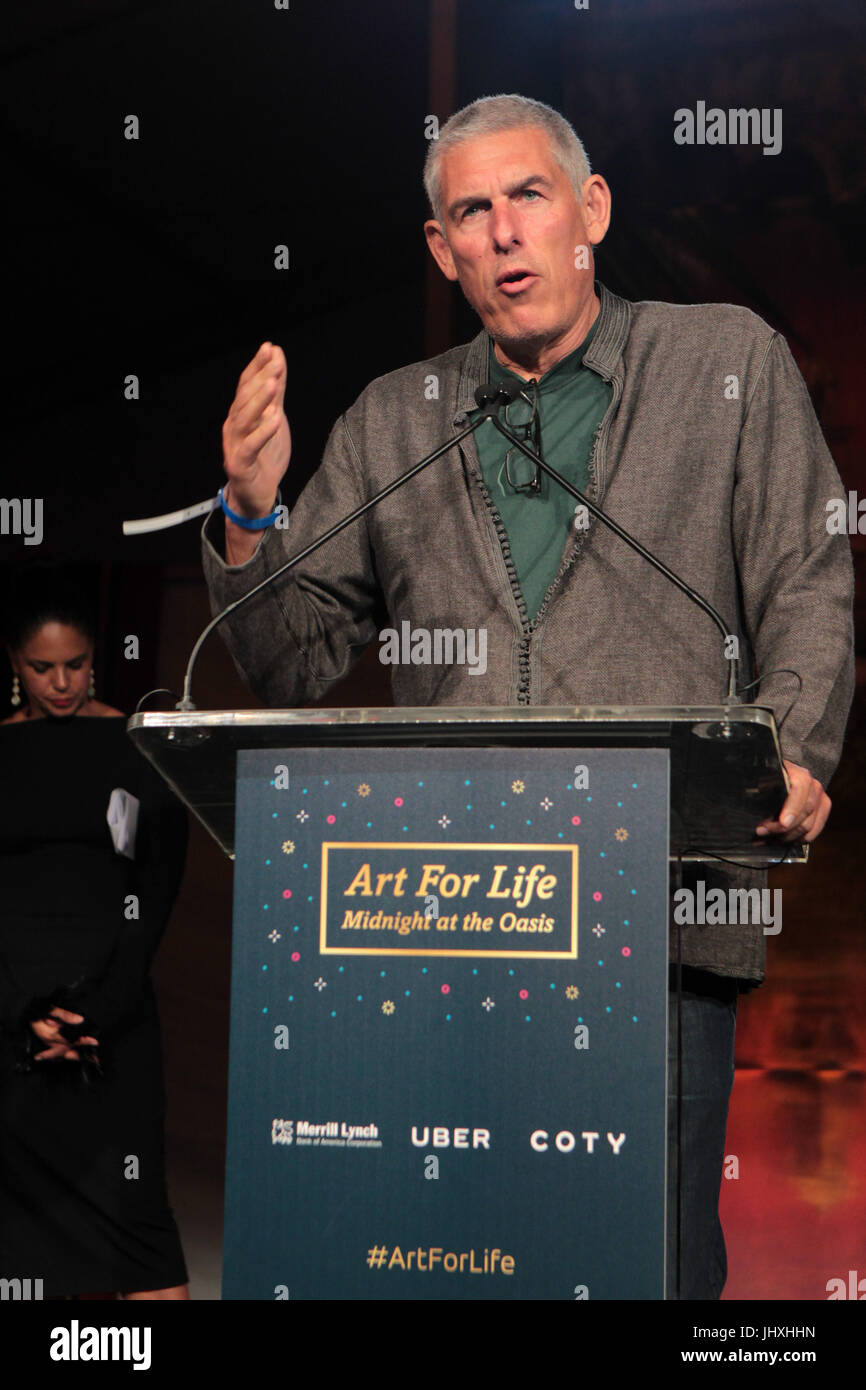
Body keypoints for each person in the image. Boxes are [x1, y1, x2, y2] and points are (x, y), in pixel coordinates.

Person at [200, 95, 854, 1297]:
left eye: (527, 197)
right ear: (443, 254)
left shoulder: (727, 361)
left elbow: (804, 580)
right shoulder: (396, 419)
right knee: (452, 1261)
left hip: (654, 914)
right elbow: (290, 660)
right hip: (442, 930)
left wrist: (798, 744)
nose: (503, 233)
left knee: (645, 1263)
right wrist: (248, 516)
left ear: (589, 211)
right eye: (469, 213)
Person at [0, 568, 189, 1300]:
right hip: (10, 1026)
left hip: (114, 1020)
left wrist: (97, 1017)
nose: (61, 682)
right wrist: (21, 1013)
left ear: (95, 656)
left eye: (75, 664)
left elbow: (159, 886)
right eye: (41, 668)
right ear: (12, 664)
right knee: (22, 1243)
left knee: (136, 1218)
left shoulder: (135, 745)